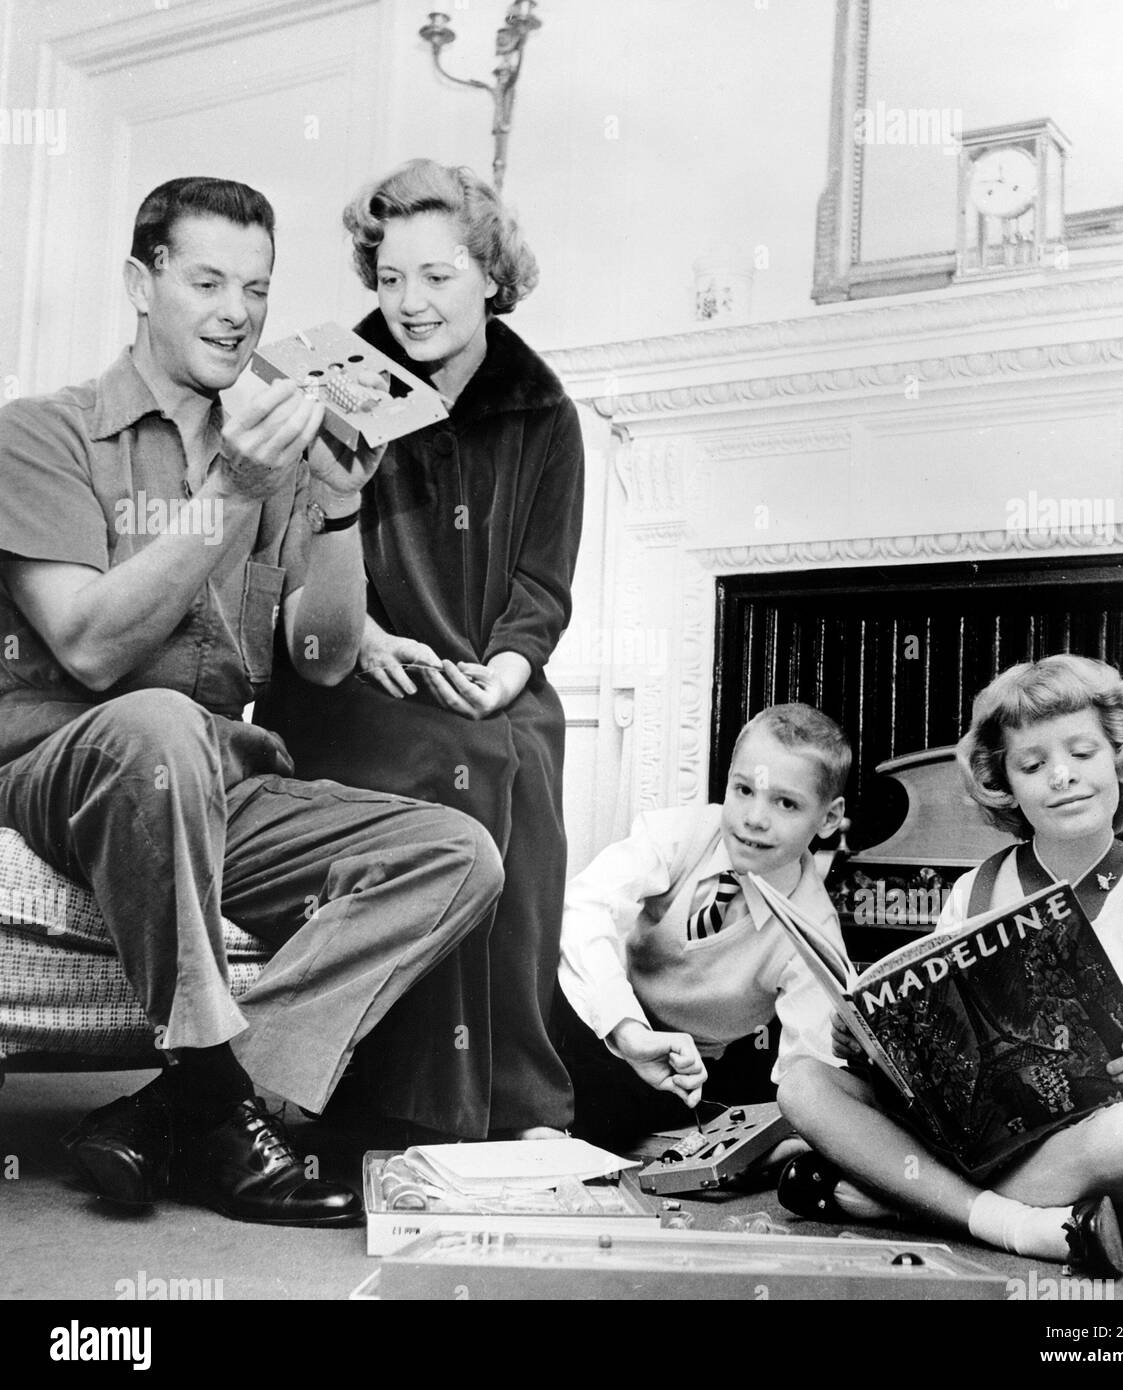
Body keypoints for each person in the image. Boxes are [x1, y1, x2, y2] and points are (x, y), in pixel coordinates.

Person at [0, 177, 503, 1225]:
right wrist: (226, 489)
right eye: (209, 281)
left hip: (220, 780)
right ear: (142, 284)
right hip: (67, 767)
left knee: (456, 853)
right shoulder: (38, 435)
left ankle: (183, 1109)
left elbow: (318, 655)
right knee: (157, 722)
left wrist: (340, 507)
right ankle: (219, 1108)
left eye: (259, 288)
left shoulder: (269, 460)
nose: (239, 311)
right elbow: (91, 649)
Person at [257, 160, 583, 1139]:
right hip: (349, 677)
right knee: (468, 760)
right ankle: (421, 1109)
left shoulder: (543, 408)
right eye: (390, 277)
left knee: (523, 740)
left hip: (483, 675)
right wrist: (366, 639)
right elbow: (278, 564)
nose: (410, 302)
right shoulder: (326, 384)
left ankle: (518, 1097)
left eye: (437, 276)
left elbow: (541, 584)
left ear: (488, 273)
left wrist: (510, 667)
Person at [778, 655, 1123, 1276]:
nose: (1061, 777)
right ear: (1006, 784)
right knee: (802, 1081)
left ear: (1121, 762)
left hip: (1102, 1152)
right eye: (1033, 765)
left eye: (1083, 753)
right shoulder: (974, 892)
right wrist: (866, 1040)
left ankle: (908, 1201)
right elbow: (930, 1056)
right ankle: (1017, 1221)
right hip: (979, 1139)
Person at [555, 704, 851, 1148]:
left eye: (786, 803)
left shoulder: (814, 931)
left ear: (828, 818)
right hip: (603, 1016)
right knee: (531, 958)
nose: (755, 817)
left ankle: (554, 1132)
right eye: (744, 789)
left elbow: (808, 1073)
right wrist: (628, 1028)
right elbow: (583, 905)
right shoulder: (682, 833)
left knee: (636, 1117)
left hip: (682, 1071)